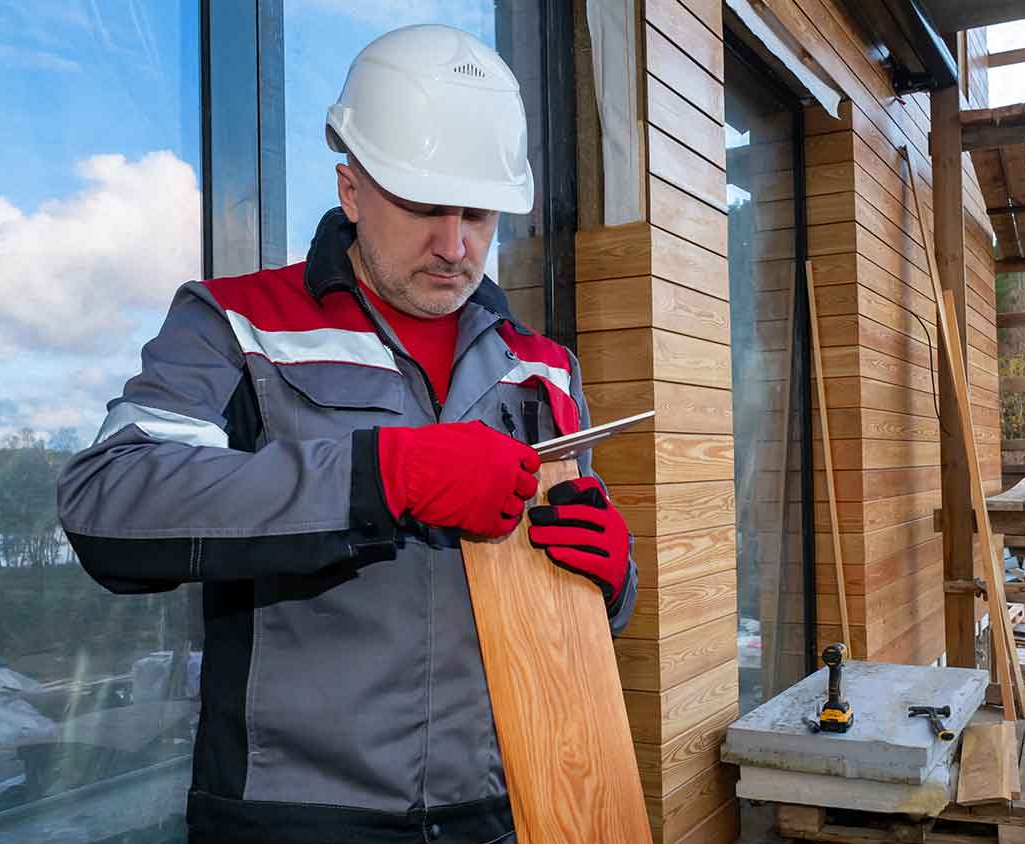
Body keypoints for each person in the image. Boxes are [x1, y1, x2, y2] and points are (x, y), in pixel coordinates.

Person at [57, 24, 636, 844]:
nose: (455, 244)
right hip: (295, 815)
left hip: (502, 809)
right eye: (424, 206)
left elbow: (584, 582)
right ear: (353, 189)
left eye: (478, 213)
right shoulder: (236, 324)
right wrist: (379, 476)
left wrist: (612, 582)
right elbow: (108, 503)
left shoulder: (541, 367)